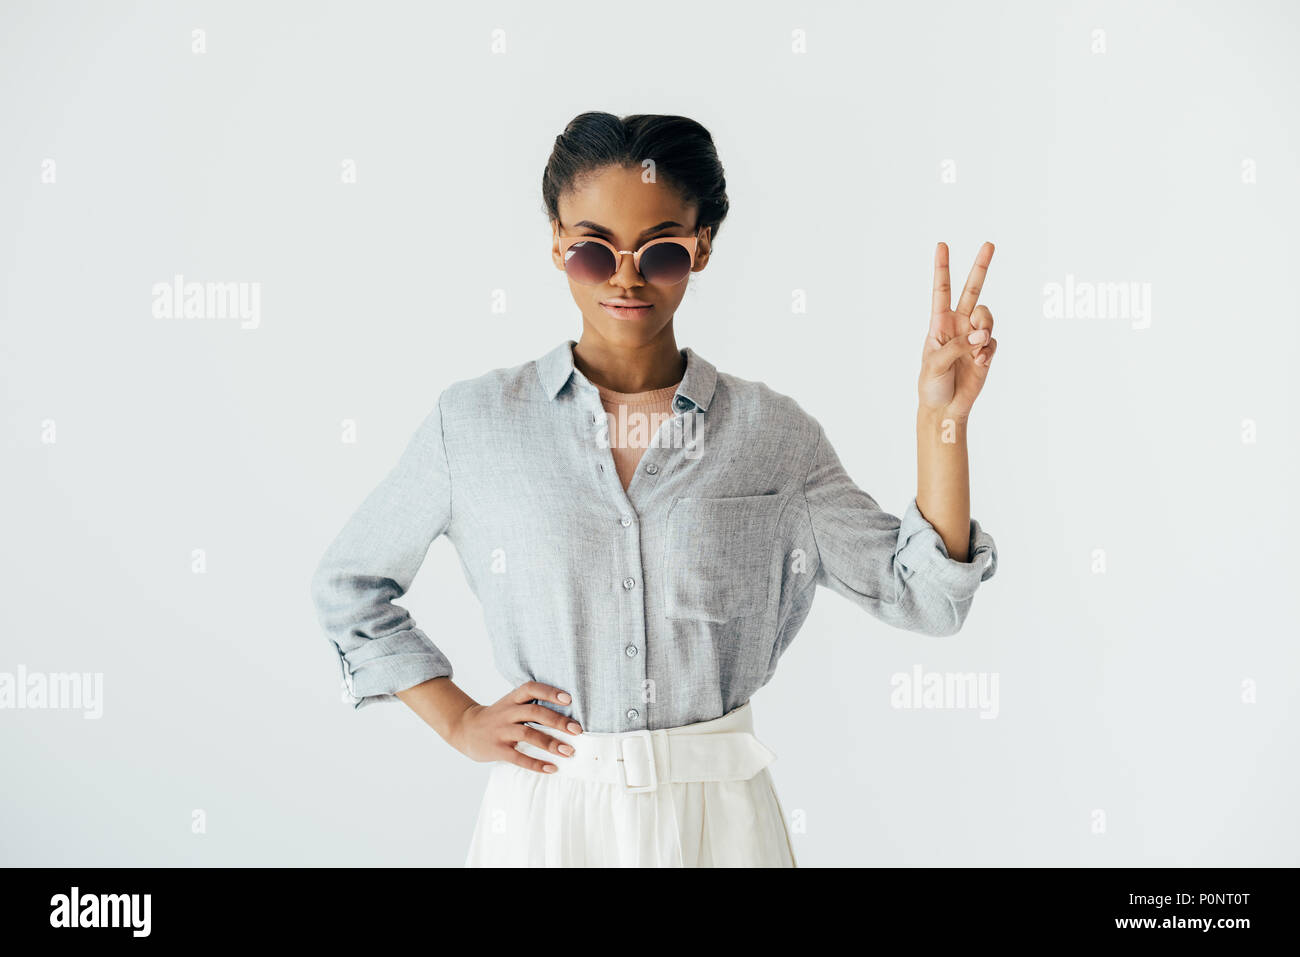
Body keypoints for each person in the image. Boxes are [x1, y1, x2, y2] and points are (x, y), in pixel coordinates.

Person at [309, 111, 1000, 867]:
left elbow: (927, 599)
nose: (627, 277)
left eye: (661, 250)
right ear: (555, 243)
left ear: (701, 246)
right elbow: (352, 585)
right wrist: (459, 719)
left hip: (723, 824)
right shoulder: (474, 424)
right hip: (546, 820)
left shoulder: (772, 435)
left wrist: (942, 420)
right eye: (593, 252)